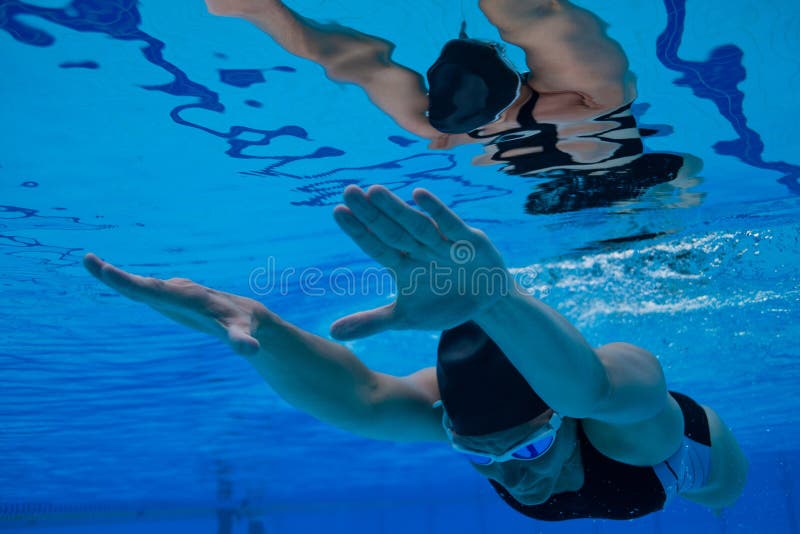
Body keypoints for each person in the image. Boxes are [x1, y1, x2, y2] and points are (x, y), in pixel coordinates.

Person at [84, 185, 748, 521]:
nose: (509, 478)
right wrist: (257, 327)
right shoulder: (467, 425)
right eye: (477, 455)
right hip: (553, 387)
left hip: (688, 459)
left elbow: (594, 393)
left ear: (556, 420)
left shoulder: (622, 413)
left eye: (523, 450)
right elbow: (363, 400)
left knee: (718, 496)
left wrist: (492, 296)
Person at [205, 0, 703, 215]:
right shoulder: (587, 95)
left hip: (555, 194)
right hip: (643, 173)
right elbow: (537, 15)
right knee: (530, 20)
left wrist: (268, 13)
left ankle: (256, 9)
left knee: (363, 70)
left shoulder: (444, 131)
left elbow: (345, 60)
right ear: (513, 73)